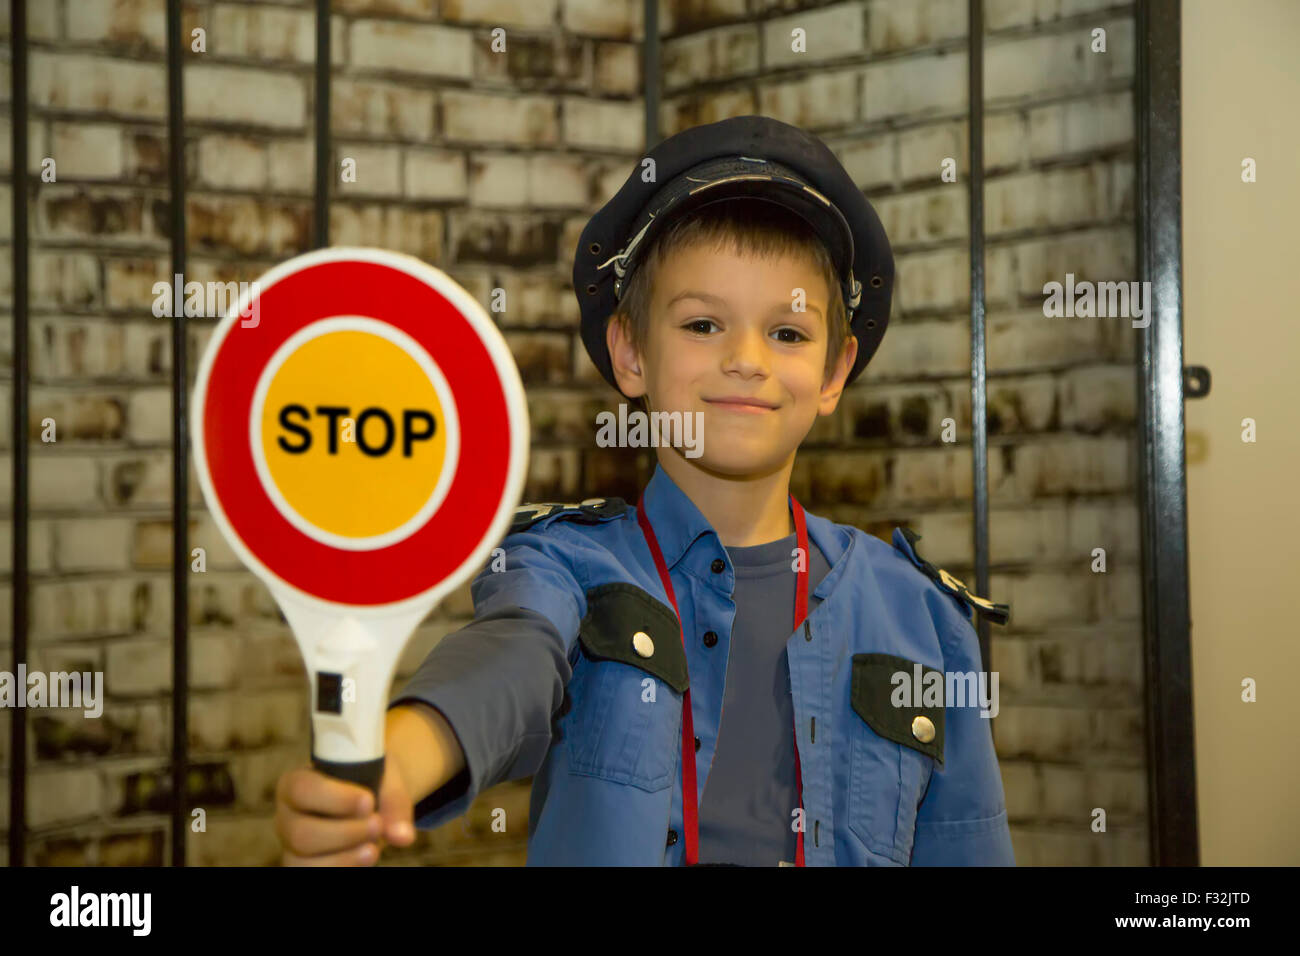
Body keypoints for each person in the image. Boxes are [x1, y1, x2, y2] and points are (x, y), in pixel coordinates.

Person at [275, 115, 1014, 866]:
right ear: (631, 354)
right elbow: (505, 664)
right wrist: (393, 768)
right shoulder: (564, 566)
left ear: (833, 372)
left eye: (788, 333)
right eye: (702, 323)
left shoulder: (924, 619)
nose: (747, 360)